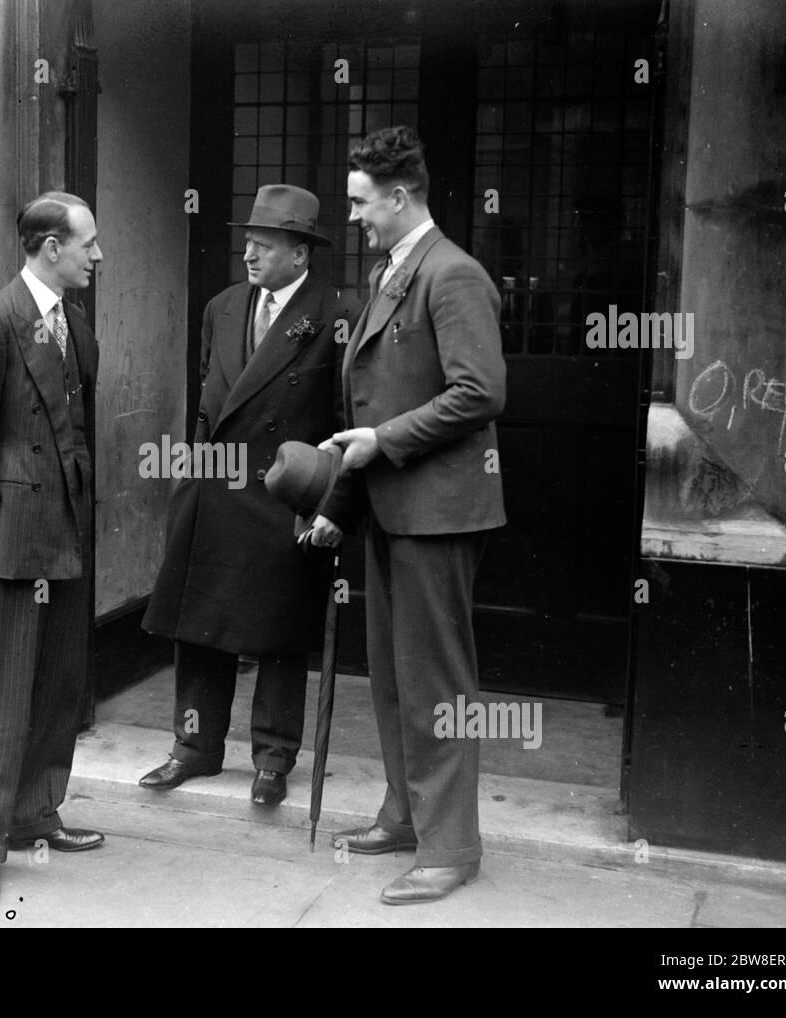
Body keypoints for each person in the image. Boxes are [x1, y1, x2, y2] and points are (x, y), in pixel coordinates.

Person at [317, 126, 506, 904]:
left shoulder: (452, 275)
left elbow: (480, 392)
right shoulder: (396, 270)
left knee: (436, 683)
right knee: (395, 680)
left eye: (363, 202)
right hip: (396, 511)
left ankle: (452, 846)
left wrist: (383, 441)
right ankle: (405, 815)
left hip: (438, 513)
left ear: (400, 197)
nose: (355, 215)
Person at [140, 184, 357, 806]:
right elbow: (209, 402)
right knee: (198, 625)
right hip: (214, 489)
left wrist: (326, 504)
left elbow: (345, 423)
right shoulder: (225, 306)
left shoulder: (337, 312)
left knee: (279, 633)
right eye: (249, 242)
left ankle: (272, 759)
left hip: (284, 494)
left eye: (265, 244)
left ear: (301, 253)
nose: (250, 255)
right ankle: (195, 748)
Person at [0, 191, 106, 904]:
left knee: (60, 684)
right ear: (50, 249)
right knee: (4, 697)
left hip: (68, 530)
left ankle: (36, 814)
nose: (97, 256)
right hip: (14, 536)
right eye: (87, 244)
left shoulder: (74, 322)